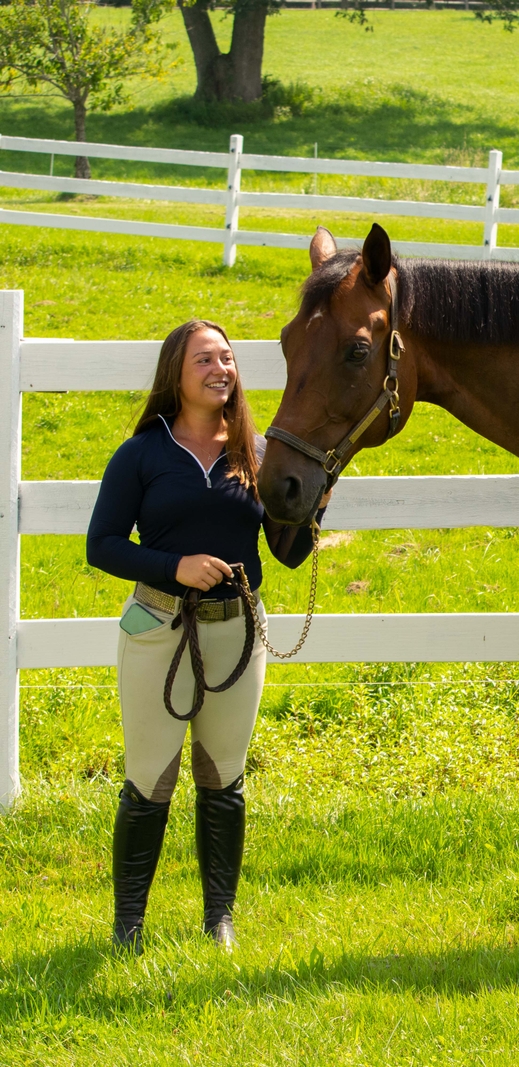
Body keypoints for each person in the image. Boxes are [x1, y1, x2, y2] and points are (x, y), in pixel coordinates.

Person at [86, 319, 324, 952]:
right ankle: (128, 926)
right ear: (176, 373)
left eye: (228, 358)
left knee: (224, 777)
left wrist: (312, 508)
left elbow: (287, 553)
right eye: (205, 360)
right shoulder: (142, 454)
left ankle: (219, 917)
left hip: (237, 634)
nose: (222, 368)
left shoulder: (254, 451)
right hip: (157, 631)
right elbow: (101, 544)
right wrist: (175, 567)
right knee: (148, 778)